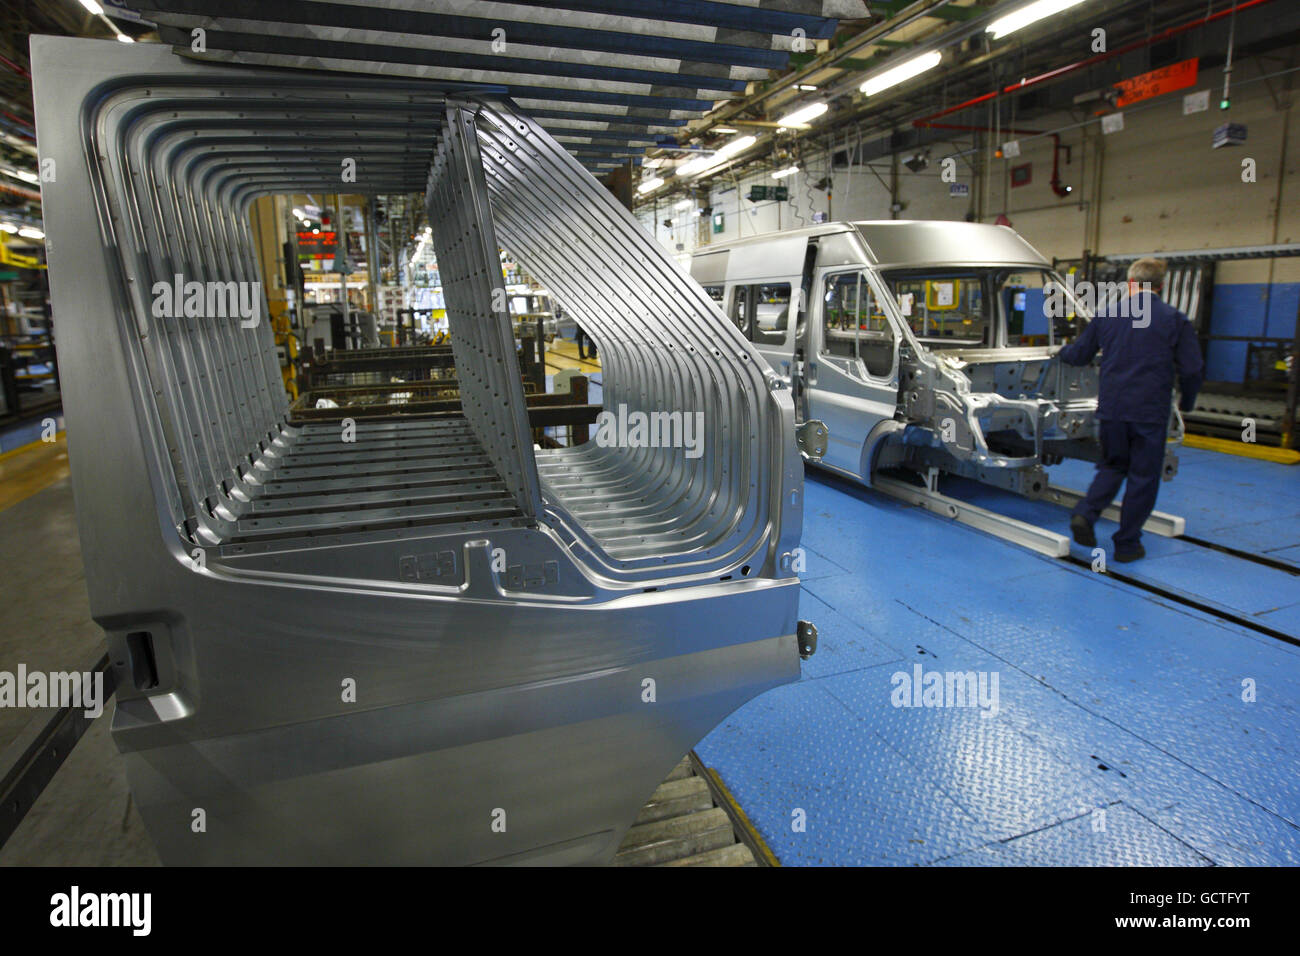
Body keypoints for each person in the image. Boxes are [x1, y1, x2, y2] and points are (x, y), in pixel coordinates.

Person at [1057, 257, 1204, 562]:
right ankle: (1126, 545)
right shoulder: (1174, 319)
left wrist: (1060, 351)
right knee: (1143, 476)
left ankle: (1086, 513)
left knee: (1112, 466)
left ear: (1130, 283)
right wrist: (1186, 402)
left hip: (1111, 409)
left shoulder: (1108, 315)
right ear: (1161, 286)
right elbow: (1193, 369)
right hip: (1149, 412)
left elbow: (1080, 354)